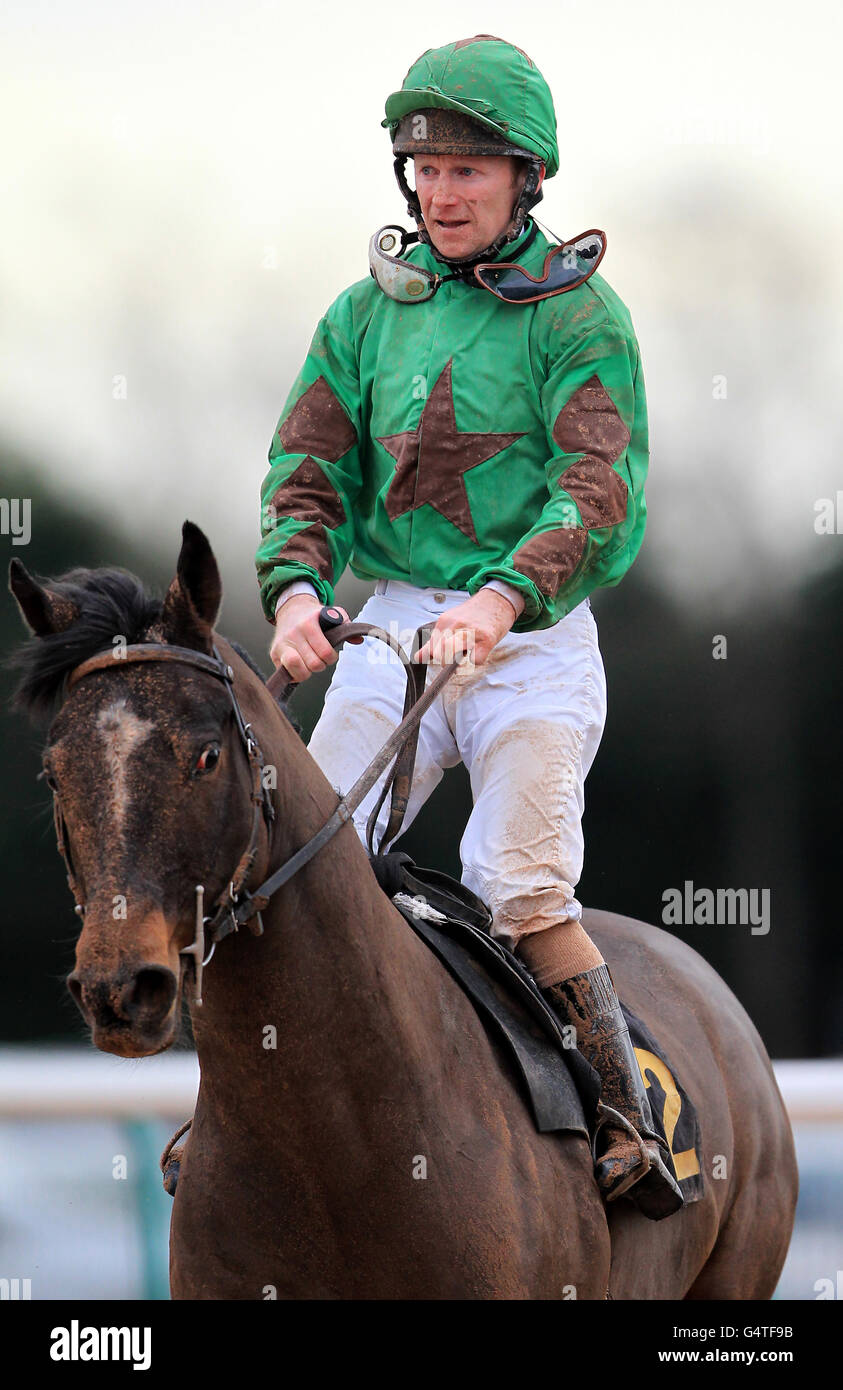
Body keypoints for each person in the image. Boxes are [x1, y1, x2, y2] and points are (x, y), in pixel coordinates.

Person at [256, 35, 682, 1220]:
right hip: (389, 632)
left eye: (467, 174)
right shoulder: (361, 314)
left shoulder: (580, 316)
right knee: (296, 867)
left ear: (524, 179)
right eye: (424, 172)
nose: (439, 195)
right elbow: (303, 471)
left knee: (519, 881)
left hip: (530, 647)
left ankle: (622, 1117)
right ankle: (236, 1119)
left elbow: (600, 488)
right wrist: (296, 594)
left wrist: (500, 601)